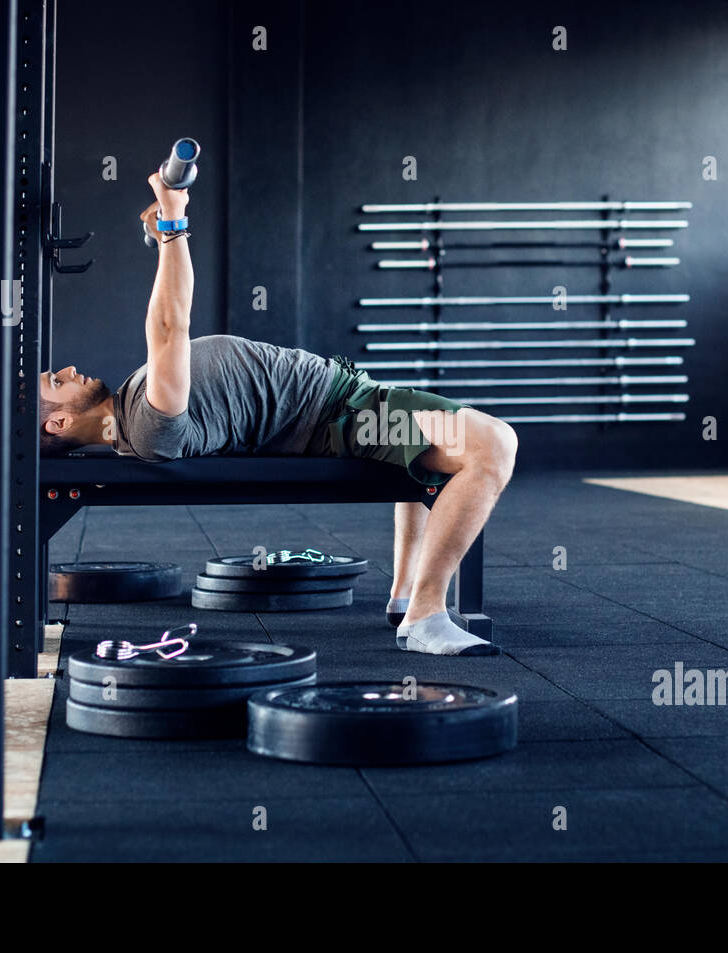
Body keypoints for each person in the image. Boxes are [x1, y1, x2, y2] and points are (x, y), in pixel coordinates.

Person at [39, 172, 517, 656]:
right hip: (346, 415)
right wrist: (173, 225)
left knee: (433, 448)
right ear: (58, 423)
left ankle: (404, 595)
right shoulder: (145, 424)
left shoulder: (130, 402)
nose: (68, 370)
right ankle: (425, 615)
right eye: (56, 383)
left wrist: (168, 227)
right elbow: (169, 326)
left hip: (347, 400)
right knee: (492, 443)